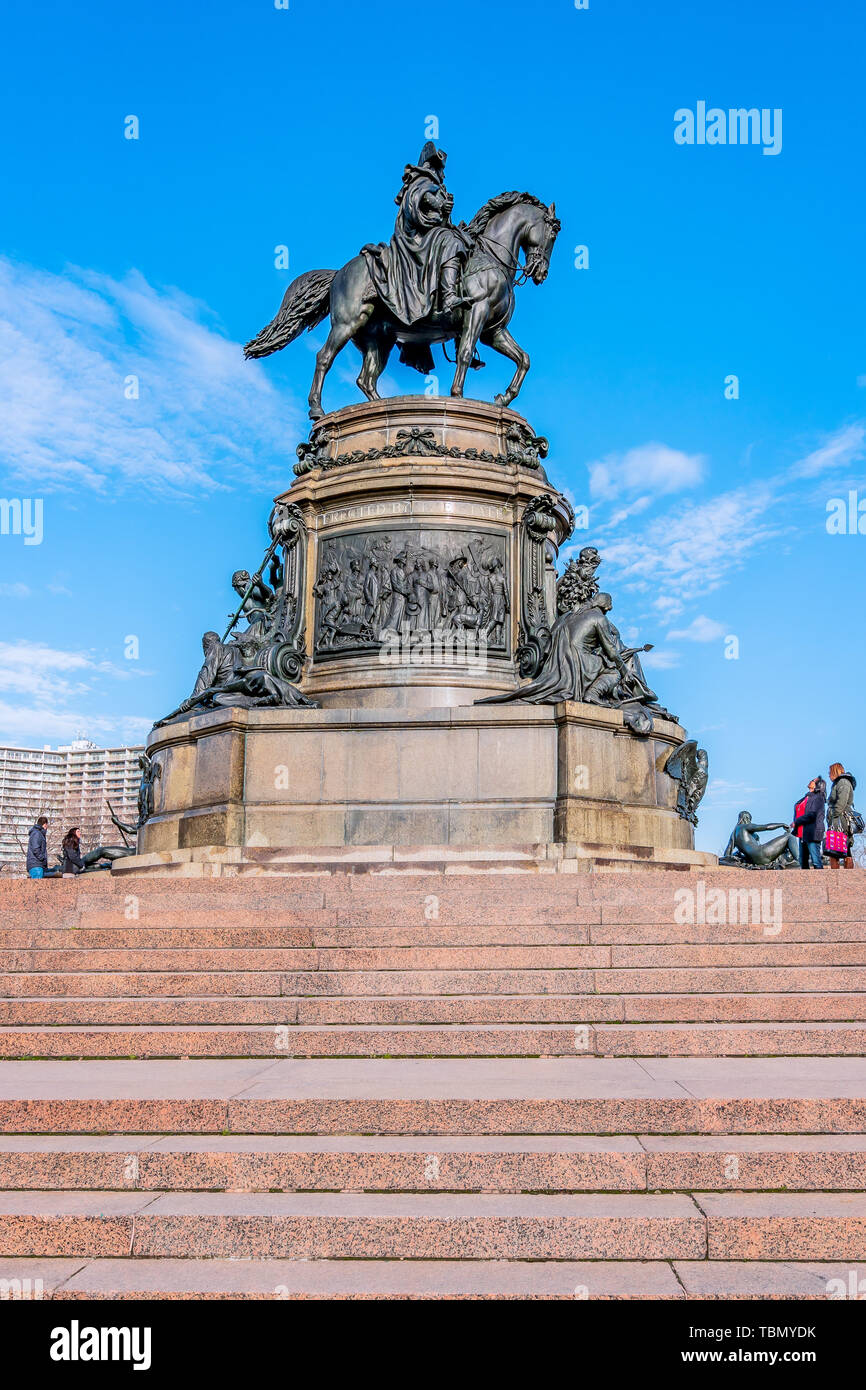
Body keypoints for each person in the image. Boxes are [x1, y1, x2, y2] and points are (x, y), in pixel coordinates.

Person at [791, 776, 826, 869]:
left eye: (813, 780)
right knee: (802, 861)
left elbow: (812, 814)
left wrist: (797, 822)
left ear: (818, 785)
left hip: (812, 832)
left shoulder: (818, 798)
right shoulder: (807, 797)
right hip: (802, 833)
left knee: (816, 861)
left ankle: (822, 882)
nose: (810, 781)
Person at [827, 763, 858, 869]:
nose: (829, 775)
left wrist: (834, 814)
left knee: (837, 850)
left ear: (834, 772)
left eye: (830, 772)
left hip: (840, 819)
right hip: (838, 819)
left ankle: (843, 878)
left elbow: (842, 801)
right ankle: (840, 877)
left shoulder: (843, 782)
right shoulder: (840, 782)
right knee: (839, 849)